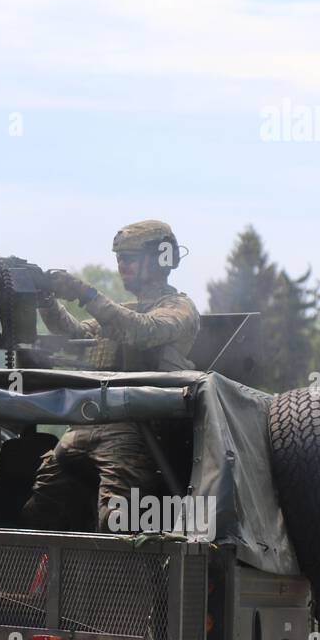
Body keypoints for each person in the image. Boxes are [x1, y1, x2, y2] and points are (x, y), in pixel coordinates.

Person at [20, 220, 200, 532]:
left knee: (115, 523)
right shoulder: (120, 312)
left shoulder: (179, 308)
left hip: (136, 428)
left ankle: (122, 581)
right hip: (86, 422)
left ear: (161, 258)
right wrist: (46, 298)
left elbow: (143, 330)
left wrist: (84, 292)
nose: (122, 265)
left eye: (130, 257)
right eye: (119, 258)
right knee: (39, 511)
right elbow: (73, 333)